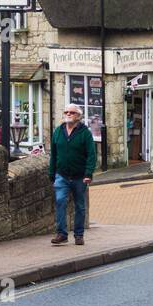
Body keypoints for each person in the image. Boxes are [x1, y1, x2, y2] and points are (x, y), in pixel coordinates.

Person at [50, 104, 96, 246]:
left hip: (79, 177)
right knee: (60, 202)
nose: (68, 114)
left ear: (78, 116)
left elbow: (91, 155)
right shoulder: (58, 131)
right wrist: (52, 173)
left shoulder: (85, 133)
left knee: (80, 207)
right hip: (62, 175)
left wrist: (88, 174)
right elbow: (54, 154)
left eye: (72, 112)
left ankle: (78, 235)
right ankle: (62, 234)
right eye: (66, 112)